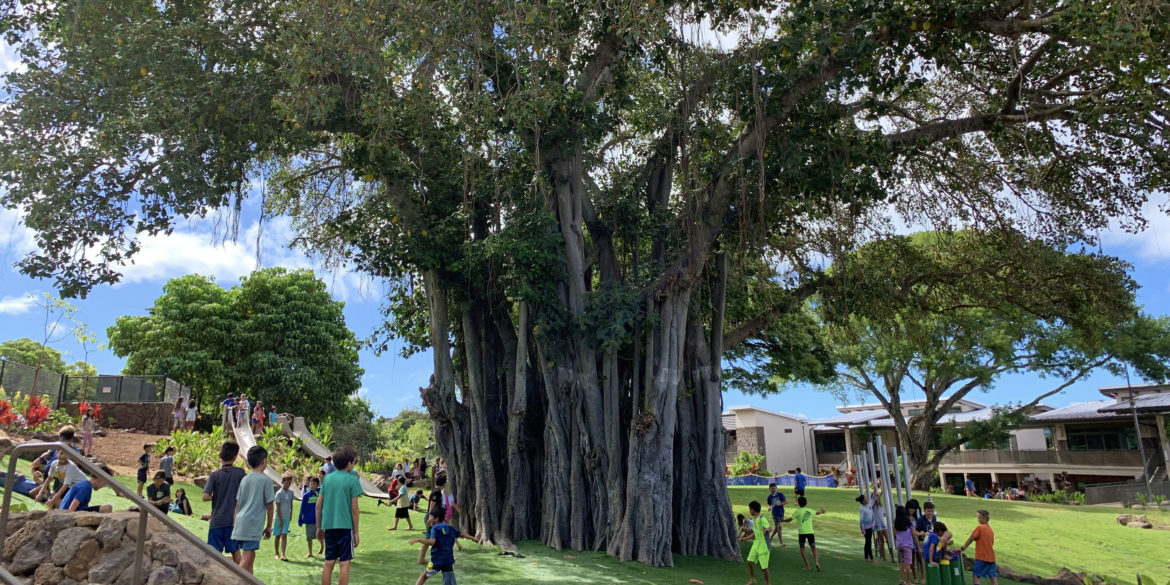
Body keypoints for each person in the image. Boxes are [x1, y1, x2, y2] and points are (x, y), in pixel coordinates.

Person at [318, 446, 362, 585]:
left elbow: (318, 505)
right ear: (349, 463)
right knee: (344, 563)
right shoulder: (352, 480)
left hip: (329, 527)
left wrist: (319, 527)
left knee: (328, 563)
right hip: (345, 528)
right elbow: (354, 508)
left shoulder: (327, 479)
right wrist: (356, 532)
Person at [231, 445, 275, 574]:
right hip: (252, 523)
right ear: (264, 461)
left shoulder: (245, 479)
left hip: (240, 522)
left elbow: (237, 504)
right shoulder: (266, 480)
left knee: (250, 556)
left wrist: (235, 524)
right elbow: (270, 505)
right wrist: (269, 526)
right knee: (247, 557)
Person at [203, 441, 247, 564]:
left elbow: (205, 496)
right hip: (233, 521)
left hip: (217, 520)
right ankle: (241, 578)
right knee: (235, 551)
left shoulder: (215, 475)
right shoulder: (240, 473)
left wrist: (216, 497)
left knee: (213, 554)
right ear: (235, 457)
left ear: (220, 456)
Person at [410, 509, 474, 585]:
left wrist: (418, 539)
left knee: (424, 576)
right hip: (448, 561)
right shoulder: (450, 528)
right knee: (449, 582)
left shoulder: (435, 528)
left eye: (430, 516)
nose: (429, 518)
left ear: (436, 519)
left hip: (436, 561)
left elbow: (432, 542)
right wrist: (473, 538)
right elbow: (462, 534)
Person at [786, 495, 825, 571]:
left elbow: (790, 519)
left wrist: (783, 520)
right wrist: (822, 512)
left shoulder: (798, 512)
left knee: (802, 548)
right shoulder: (809, 511)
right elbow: (817, 513)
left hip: (802, 533)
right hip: (810, 532)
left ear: (798, 503)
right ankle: (816, 562)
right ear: (806, 503)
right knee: (813, 547)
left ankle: (807, 566)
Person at [739, 501, 773, 585]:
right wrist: (744, 538)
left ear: (753, 510)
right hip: (756, 545)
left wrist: (766, 529)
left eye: (750, 509)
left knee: (764, 568)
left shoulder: (762, 519)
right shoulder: (755, 520)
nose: (749, 511)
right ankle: (752, 580)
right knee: (749, 562)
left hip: (764, 547)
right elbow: (754, 533)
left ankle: (768, 583)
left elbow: (770, 528)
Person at [959, 510, 997, 585]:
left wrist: (962, 548)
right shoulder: (990, 530)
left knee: (976, 575)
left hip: (982, 557)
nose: (978, 519)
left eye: (979, 518)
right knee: (993, 576)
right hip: (992, 557)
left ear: (984, 518)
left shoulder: (980, 528)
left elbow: (971, 539)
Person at [420, 474, 448, 565]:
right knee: (429, 539)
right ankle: (422, 559)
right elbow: (432, 505)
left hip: (435, 519)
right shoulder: (436, 492)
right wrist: (431, 518)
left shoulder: (437, 492)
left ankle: (438, 557)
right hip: (432, 518)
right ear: (444, 483)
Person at [274, 474, 296, 561]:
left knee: (284, 535)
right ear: (282, 482)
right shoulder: (279, 493)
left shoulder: (291, 493)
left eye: (289, 483)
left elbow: (291, 504)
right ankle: (276, 552)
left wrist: (291, 514)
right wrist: (280, 519)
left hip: (286, 517)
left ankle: (283, 554)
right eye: (286, 483)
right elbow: (277, 507)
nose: (288, 485)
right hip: (278, 518)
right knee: (277, 535)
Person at [300, 476, 323, 558]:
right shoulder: (306, 496)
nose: (312, 486)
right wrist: (300, 518)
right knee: (309, 537)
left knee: (320, 535)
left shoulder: (320, 494)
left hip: (318, 519)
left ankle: (322, 546)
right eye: (311, 484)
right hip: (309, 519)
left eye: (314, 484)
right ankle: (310, 552)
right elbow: (302, 507)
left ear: (317, 485)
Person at [894, 505, 915, 585]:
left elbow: (894, 534)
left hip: (899, 545)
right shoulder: (909, 523)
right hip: (907, 546)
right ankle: (909, 582)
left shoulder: (896, 523)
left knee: (902, 563)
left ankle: (901, 580)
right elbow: (913, 534)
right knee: (908, 564)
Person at [766, 482, 787, 547]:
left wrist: (780, 504)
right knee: (779, 527)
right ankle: (781, 542)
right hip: (775, 513)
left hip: (781, 512)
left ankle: (770, 539)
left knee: (777, 527)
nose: (773, 489)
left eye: (774, 488)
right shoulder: (769, 497)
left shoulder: (780, 494)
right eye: (771, 488)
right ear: (769, 489)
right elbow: (768, 504)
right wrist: (769, 507)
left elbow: (786, 501)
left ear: (776, 488)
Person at [857, 494, 875, 563]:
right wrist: (863, 530)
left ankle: (866, 558)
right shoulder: (862, 509)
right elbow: (861, 520)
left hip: (870, 527)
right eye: (866, 498)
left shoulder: (869, 505)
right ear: (863, 501)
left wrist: (875, 488)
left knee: (867, 542)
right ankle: (871, 559)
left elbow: (873, 498)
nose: (867, 499)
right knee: (869, 542)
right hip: (866, 528)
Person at [872, 493, 889, 561]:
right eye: (876, 499)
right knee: (881, 540)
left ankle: (890, 555)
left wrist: (884, 514)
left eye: (878, 499)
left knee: (888, 539)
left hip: (883, 524)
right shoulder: (873, 506)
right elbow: (875, 499)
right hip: (877, 525)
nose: (877, 500)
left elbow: (882, 514)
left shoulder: (880, 506)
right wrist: (882, 491)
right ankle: (883, 557)